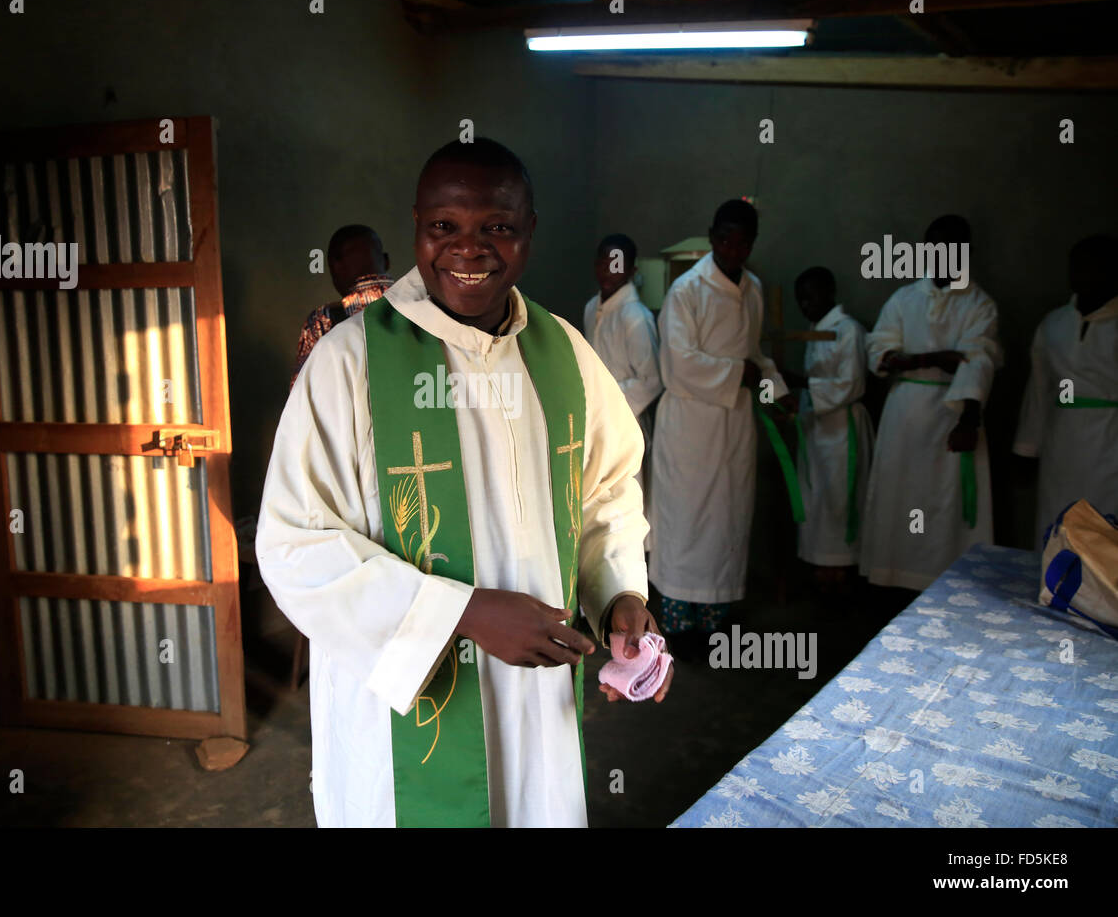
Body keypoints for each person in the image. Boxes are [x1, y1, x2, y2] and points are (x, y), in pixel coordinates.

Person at [256, 138, 669, 828]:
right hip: (405, 711)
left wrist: (619, 595)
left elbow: (605, 492)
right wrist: (462, 615)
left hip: (535, 695)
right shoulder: (348, 362)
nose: (469, 249)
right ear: (416, 227)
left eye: (497, 227)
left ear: (529, 231)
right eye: (444, 226)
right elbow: (295, 544)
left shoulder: (565, 353)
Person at [650, 199, 795, 643]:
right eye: (726, 239)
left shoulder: (752, 289)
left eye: (743, 242)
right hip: (690, 425)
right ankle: (678, 621)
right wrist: (740, 373)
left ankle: (715, 618)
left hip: (734, 423)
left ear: (752, 244)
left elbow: (754, 356)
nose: (734, 249)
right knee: (687, 518)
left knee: (728, 516)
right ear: (713, 237)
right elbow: (678, 364)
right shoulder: (687, 291)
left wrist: (775, 393)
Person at [860, 214, 1003, 590]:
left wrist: (969, 419)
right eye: (933, 246)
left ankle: (944, 585)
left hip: (952, 415)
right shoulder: (905, 298)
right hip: (904, 414)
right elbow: (879, 351)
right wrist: (935, 358)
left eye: (951, 246)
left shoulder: (979, 304)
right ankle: (895, 580)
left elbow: (978, 358)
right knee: (901, 497)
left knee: (945, 504)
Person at [1013, 233, 1118, 541]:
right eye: (1078, 267)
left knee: (1105, 525)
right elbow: (1039, 391)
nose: (1084, 275)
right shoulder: (1053, 324)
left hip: (1111, 436)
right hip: (1061, 438)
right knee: (1058, 518)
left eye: (1095, 267)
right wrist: (1026, 449)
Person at [779, 267, 875, 583]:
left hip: (843, 429)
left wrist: (801, 383)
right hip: (816, 429)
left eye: (812, 296)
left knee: (841, 500)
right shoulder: (815, 330)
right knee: (817, 501)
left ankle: (842, 571)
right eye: (801, 299)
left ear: (830, 292)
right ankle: (822, 569)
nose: (806, 304)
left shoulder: (848, 330)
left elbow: (852, 383)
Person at [582, 233, 662, 536]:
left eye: (617, 264)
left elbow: (651, 380)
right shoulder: (593, 308)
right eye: (604, 262)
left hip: (625, 422)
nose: (609, 269)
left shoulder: (635, 316)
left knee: (624, 506)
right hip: (595, 422)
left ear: (631, 270)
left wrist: (608, 403)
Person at [290, 224, 392, 386]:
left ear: (335, 268)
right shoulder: (423, 304)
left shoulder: (322, 320)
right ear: (386, 261)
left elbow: (302, 392)